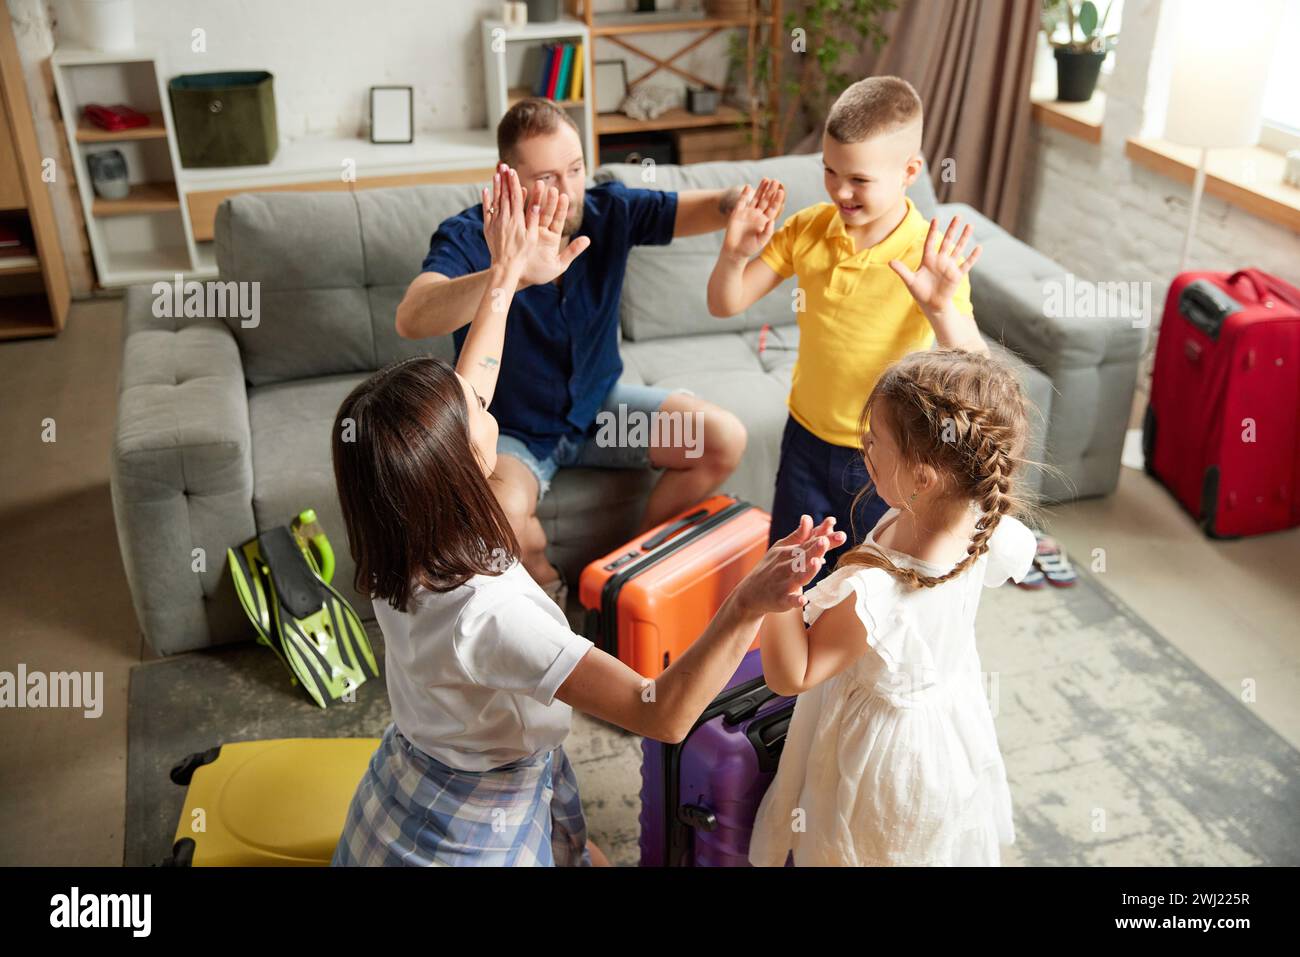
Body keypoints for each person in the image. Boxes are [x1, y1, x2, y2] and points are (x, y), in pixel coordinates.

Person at [331, 168, 845, 866]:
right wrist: (747, 602)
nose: (484, 399)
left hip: (426, 763)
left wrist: (507, 271)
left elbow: (475, 373)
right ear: (460, 468)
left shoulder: (401, 534)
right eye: (477, 412)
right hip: (473, 818)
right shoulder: (492, 615)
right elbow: (659, 708)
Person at [396, 97, 777, 604]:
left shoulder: (607, 209)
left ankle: (626, 578)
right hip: (514, 431)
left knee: (722, 438)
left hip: (602, 412)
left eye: (574, 169)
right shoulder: (472, 232)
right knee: (496, 516)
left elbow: (705, 207)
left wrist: (737, 203)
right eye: (548, 178)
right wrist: (507, 272)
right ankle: (550, 584)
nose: (568, 190)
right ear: (507, 176)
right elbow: (413, 315)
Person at [748, 348, 1038, 867]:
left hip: (883, 769)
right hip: (945, 733)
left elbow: (793, 674)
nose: (864, 451)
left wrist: (778, 595)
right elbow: (982, 402)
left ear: (924, 476)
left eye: (873, 442)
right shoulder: (978, 514)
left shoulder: (873, 595)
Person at [707, 76, 987, 584]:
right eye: (829, 171)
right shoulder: (809, 227)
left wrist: (942, 307)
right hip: (805, 441)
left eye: (858, 179)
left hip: (887, 456)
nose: (839, 190)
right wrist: (735, 252)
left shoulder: (927, 254)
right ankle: (786, 666)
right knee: (790, 580)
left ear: (909, 172)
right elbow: (725, 302)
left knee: (864, 588)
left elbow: (978, 372)